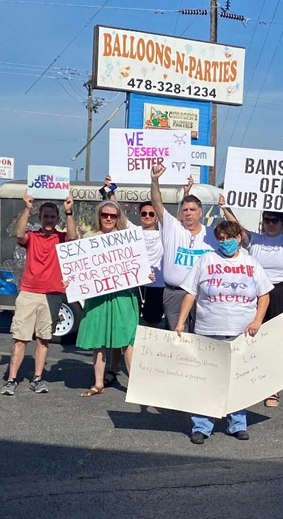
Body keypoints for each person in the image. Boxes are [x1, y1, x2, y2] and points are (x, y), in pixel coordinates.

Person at [176, 220, 272, 443]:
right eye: (221, 238)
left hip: (241, 332)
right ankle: (202, 425)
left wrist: (257, 320)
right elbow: (190, 292)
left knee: (238, 380)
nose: (225, 242)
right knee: (207, 379)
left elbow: (264, 294)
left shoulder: (251, 263)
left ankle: (237, 423)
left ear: (239, 238)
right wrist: (181, 321)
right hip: (209, 328)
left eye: (229, 237)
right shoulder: (206, 259)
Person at [220, 200, 283, 407]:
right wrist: (226, 209)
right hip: (256, 291)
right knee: (252, 335)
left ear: (282, 223)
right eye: (267, 219)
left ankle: (273, 388)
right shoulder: (254, 240)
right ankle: (251, 379)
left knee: (282, 338)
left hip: (282, 291)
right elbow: (237, 227)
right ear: (262, 221)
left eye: (275, 220)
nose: (271, 223)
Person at [2, 193, 76, 396]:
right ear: (40, 218)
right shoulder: (32, 237)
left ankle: (37, 378)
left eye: (53, 217)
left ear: (57, 219)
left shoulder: (61, 238)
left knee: (43, 339)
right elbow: (19, 234)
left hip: (52, 294)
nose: (49, 220)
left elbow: (73, 236)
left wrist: (69, 211)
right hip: (28, 293)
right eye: (46, 217)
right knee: (20, 339)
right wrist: (27, 208)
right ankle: (11, 379)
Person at [73, 200, 146, 397]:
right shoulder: (89, 239)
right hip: (98, 297)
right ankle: (98, 384)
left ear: (118, 218)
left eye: (112, 216)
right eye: (104, 214)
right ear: (99, 216)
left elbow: (138, 266)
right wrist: (71, 281)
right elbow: (78, 269)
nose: (108, 218)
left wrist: (146, 273)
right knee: (98, 341)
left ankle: (135, 385)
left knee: (126, 340)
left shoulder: (126, 238)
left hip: (122, 297)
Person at [150, 164, 217, 332]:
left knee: (202, 336)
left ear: (201, 212)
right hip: (175, 294)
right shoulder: (173, 228)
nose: (188, 213)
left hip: (203, 295)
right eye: (185, 210)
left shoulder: (212, 235)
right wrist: (155, 180)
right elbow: (157, 204)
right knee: (178, 336)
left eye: (193, 210)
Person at [137, 200, 165, 329]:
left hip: (157, 284)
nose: (147, 216)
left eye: (151, 214)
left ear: (156, 217)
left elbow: (179, 220)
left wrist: (186, 193)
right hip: (136, 284)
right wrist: (110, 192)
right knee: (132, 319)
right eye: (144, 213)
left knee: (153, 322)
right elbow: (121, 217)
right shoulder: (133, 232)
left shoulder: (164, 233)